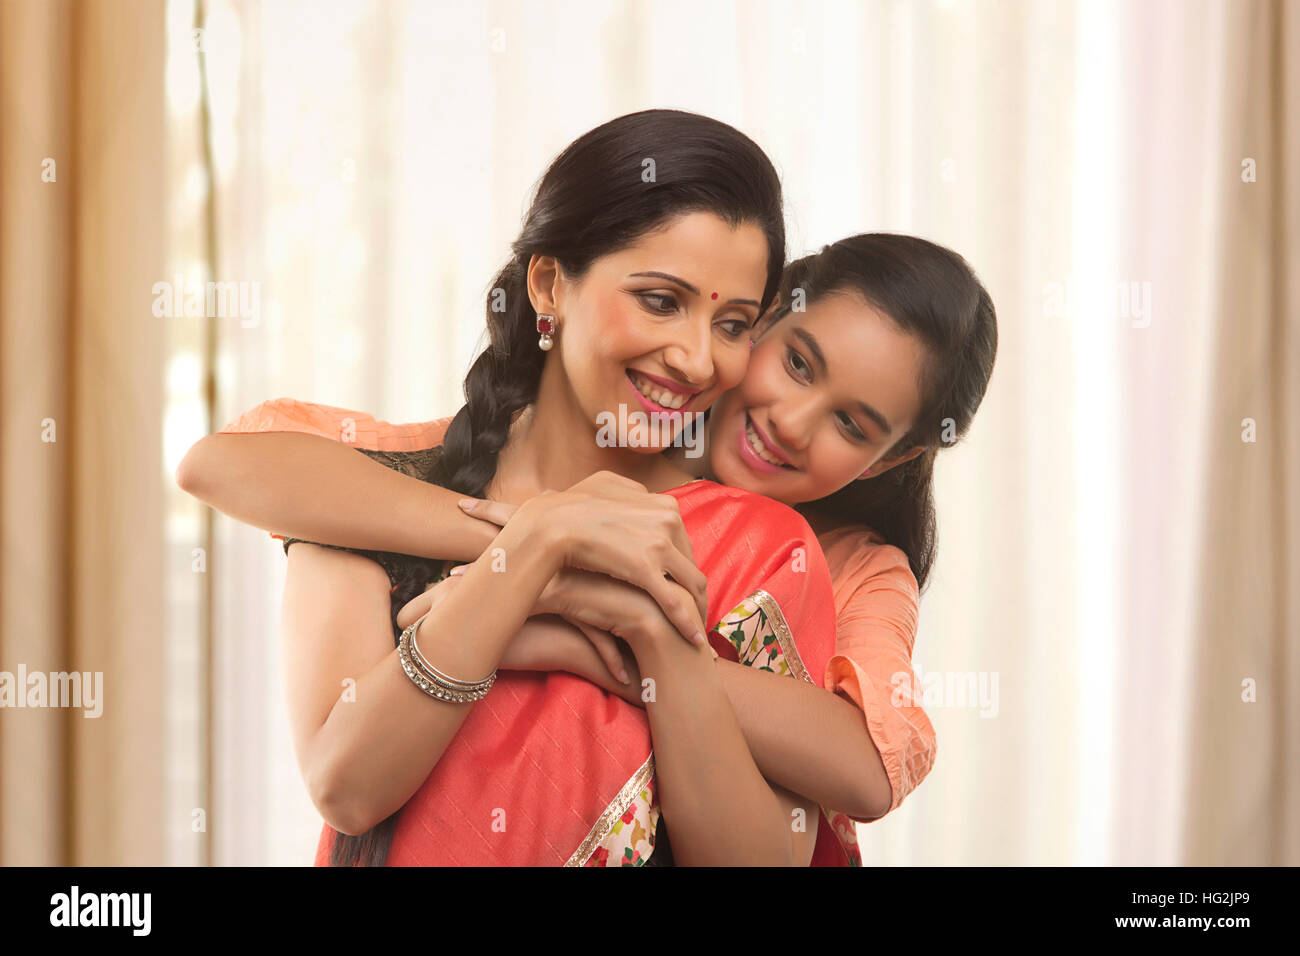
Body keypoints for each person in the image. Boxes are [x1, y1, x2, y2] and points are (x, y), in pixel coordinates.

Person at [189, 232, 999, 864]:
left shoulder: (844, 564)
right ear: (760, 320)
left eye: (852, 425)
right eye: (794, 362)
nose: (793, 420)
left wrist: (599, 638)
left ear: (892, 458)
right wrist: (537, 546)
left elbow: (862, 765)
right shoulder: (553, 464)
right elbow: (233, 464)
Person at [179, 108, 852, 866]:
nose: (698, 360)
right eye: (660, 301)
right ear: (549, 285)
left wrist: (652, 639)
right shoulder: (377, 499)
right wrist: (542, 541)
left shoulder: (756, 544)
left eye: (734, 325)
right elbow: (348, 788)